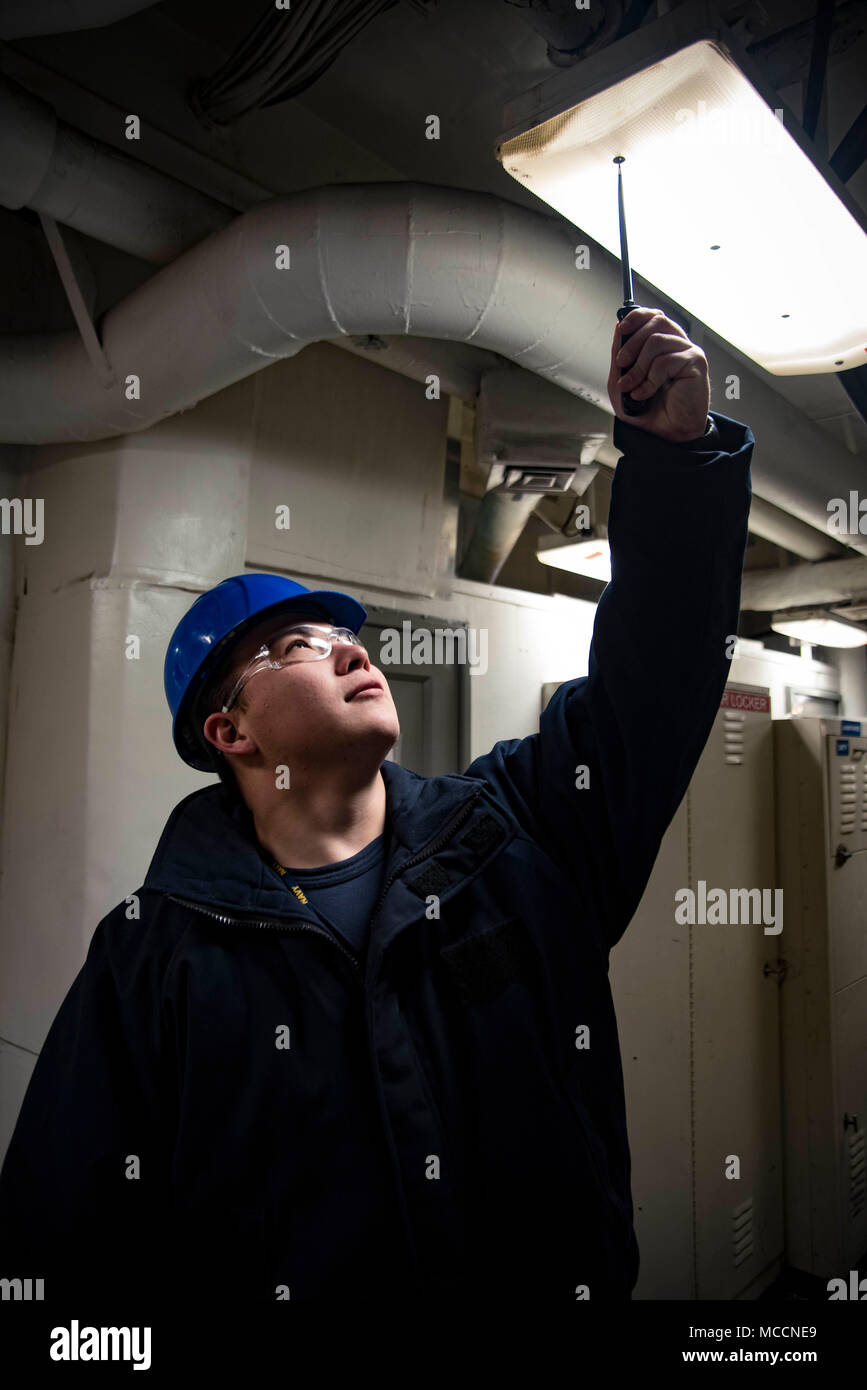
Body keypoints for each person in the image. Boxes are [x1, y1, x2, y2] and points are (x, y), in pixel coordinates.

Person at [0, 308, 754, 1309]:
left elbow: (653, 684)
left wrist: (676, 460)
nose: (355, 650)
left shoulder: (517, 835)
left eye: (347, 636)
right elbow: (59, 1254)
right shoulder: (152, 965)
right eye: (302, 646)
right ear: (232, 734)